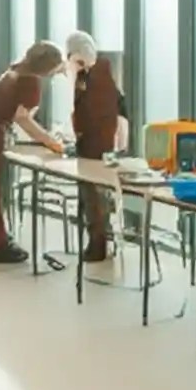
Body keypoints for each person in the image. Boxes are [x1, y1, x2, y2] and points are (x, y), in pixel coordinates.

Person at [0, 41, 65, 264]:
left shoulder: (16, 70)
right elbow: (23, 118)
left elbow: (8, 109)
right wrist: (50, 141)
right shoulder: (29, 82)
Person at [65, 31, 126, 262]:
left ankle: (98, 243)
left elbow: (86, 112)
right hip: (102, 143)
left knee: (93, 194)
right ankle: (101, 240)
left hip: (95, 145)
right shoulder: (102, 70)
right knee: (97, 193)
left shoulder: (93, 74)